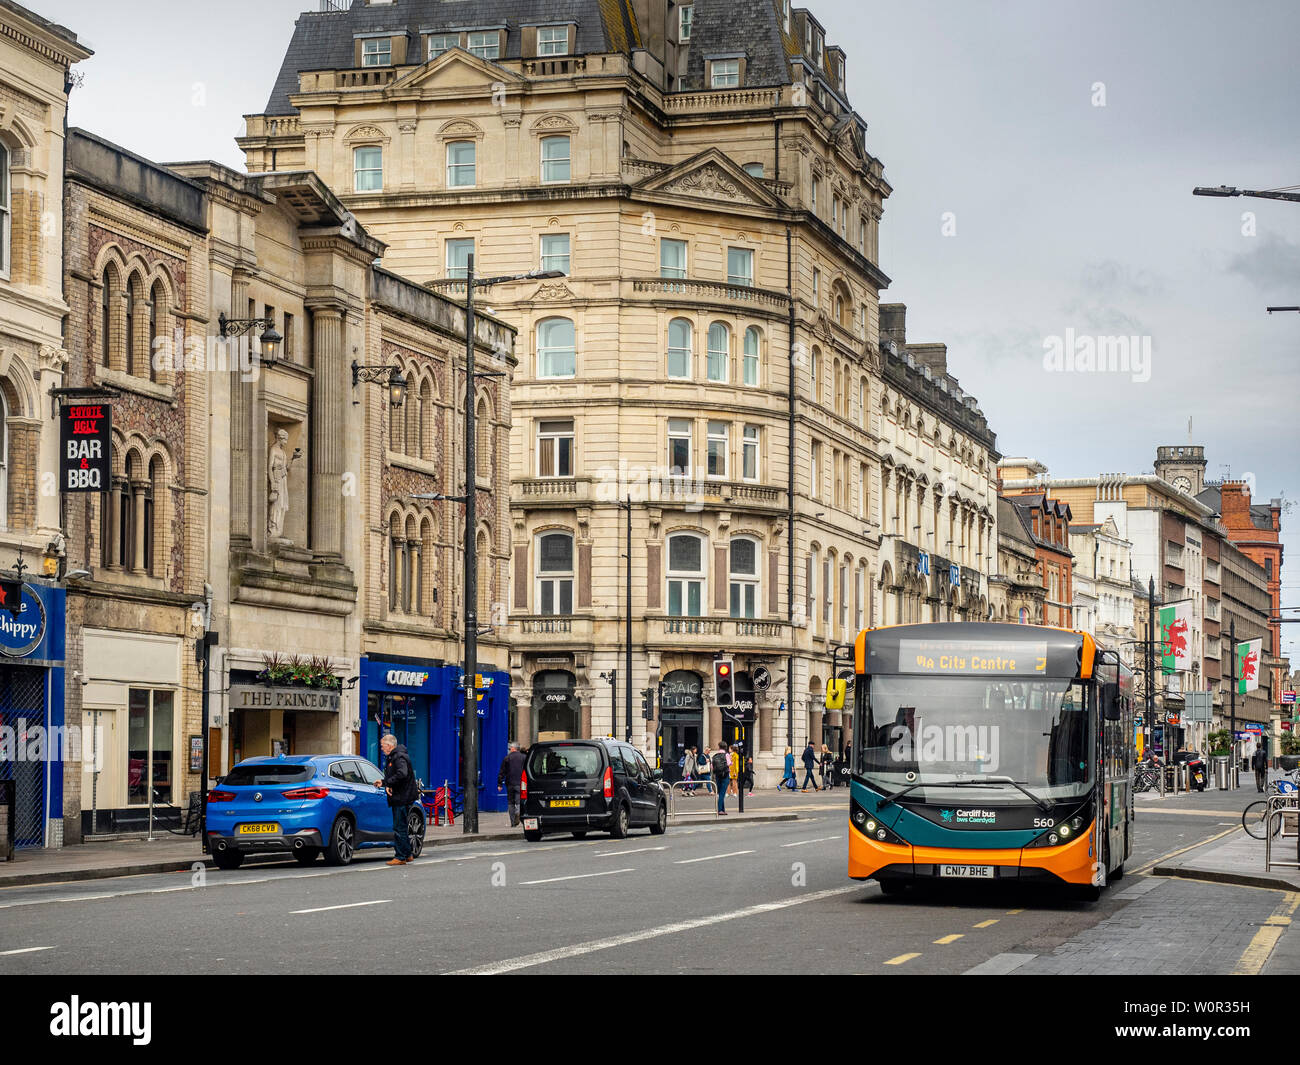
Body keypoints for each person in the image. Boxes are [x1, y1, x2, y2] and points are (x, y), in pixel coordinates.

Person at [380, 733, 419, 865]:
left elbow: (402, 773)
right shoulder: (396, 756)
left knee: (399, 827)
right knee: (401, 826)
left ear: (389, 746)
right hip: (402, 795)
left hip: (402, 797)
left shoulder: (398, 757)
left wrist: (388, 782)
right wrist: (385, 783)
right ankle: (408, 854)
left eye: (382, 745)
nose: (381, 748)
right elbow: (397, 775)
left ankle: (400, 856)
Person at [497, 741, 527, 827]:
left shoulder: (507, 758)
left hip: (509, 783)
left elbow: (502, 772)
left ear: (513, 748)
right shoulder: (524, 757)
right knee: (518, 801)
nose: (509, 749)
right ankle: (518, 813)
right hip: (520, 783)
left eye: (510, 748)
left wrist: (499, 784)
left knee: (510, 802)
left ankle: (513, 822)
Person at [711, 741, 731, 815]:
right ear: (725, 747)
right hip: (725, 775)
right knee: (722, 794)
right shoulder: (727, 755)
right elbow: (729, 763)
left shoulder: (715, 755)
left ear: (719, 747)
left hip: (717, 776)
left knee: (720, 793)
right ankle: (719, 810)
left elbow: (712, 766)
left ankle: (722, 809)